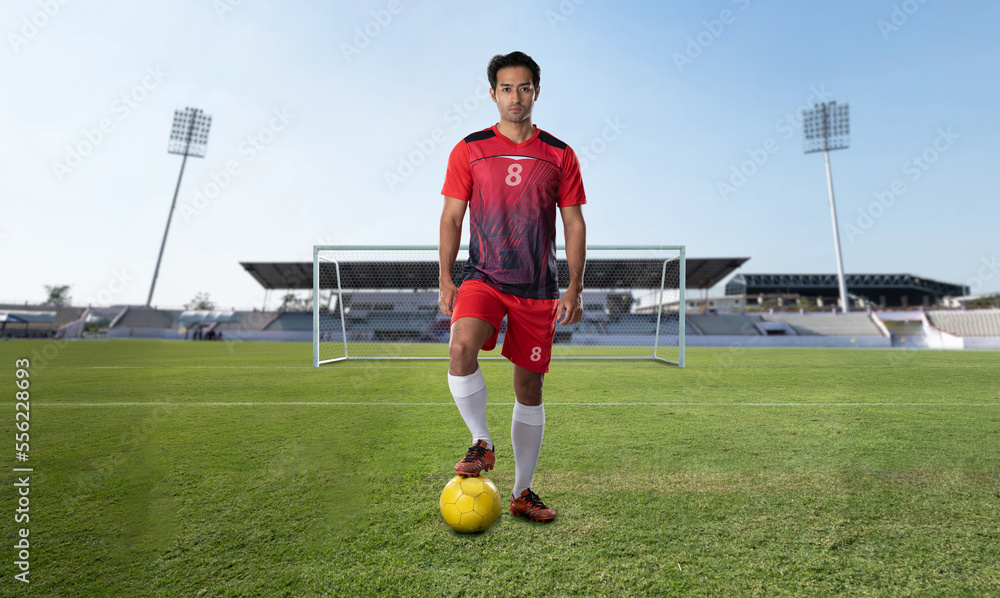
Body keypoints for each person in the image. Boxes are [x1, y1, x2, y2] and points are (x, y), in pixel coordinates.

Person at [438, 51, 587, 523]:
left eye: (524, 87)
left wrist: (575, 287)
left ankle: (522, 493)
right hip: (484, 277)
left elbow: (574, 223)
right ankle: (482, 442)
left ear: (536, 92)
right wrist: (445, 277)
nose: (515, 96)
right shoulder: (469, 148)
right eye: (506, 88)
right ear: (493, 94)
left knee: (529, 388)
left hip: (538, 287)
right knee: (461, 347)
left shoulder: (560, 154)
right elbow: (451, 216)